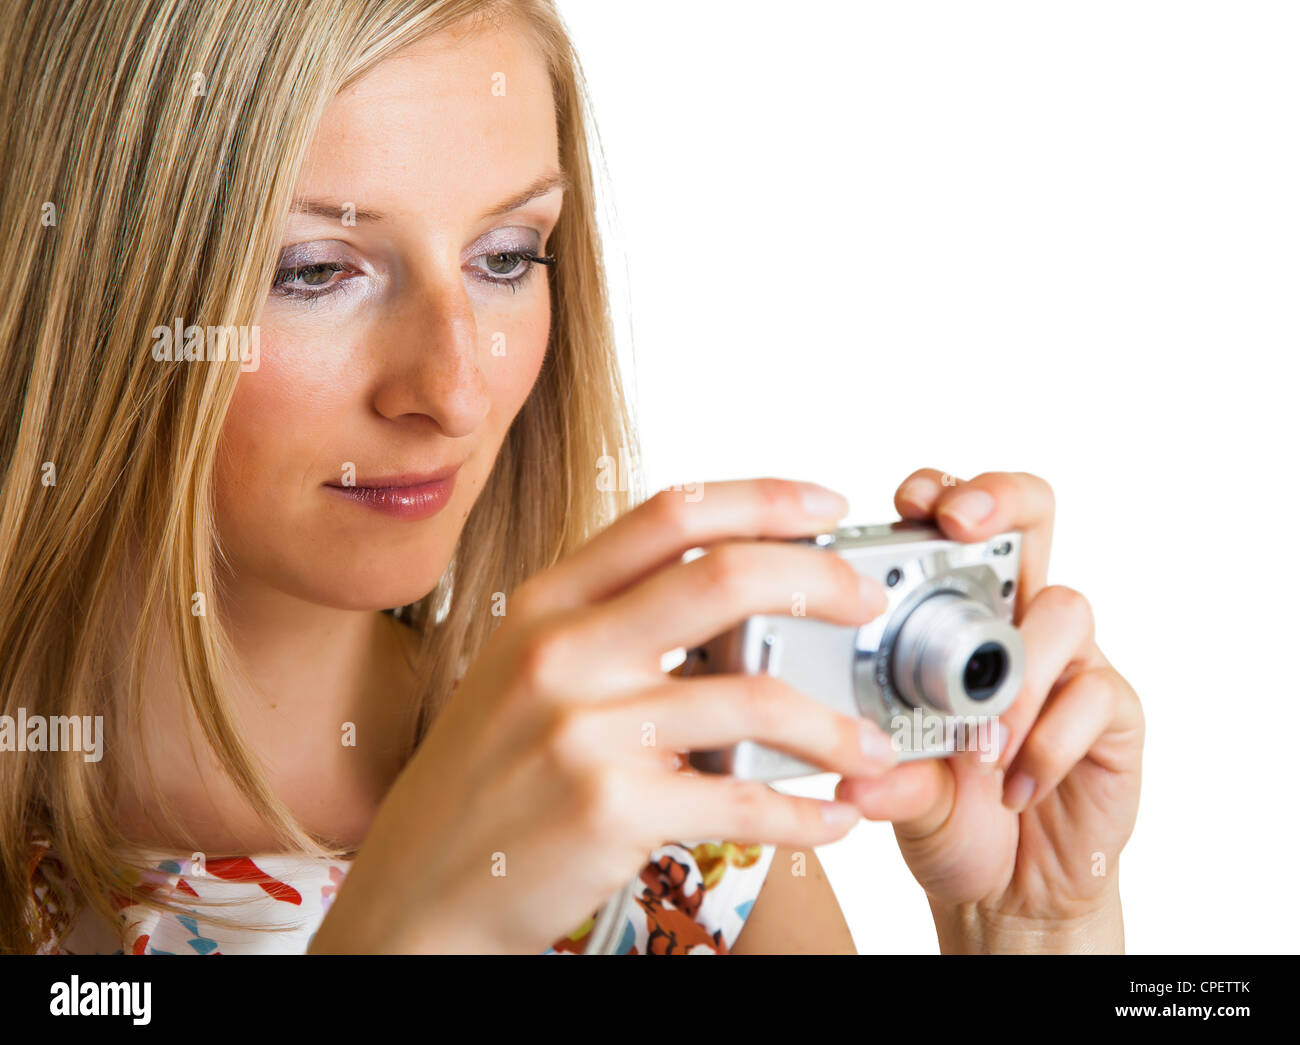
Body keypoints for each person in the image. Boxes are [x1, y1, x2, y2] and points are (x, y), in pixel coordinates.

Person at [0, 0, 1143, 955]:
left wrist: (1034, 925)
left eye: (505, 259)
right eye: (314, 271)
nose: (454, 390)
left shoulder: (674, 826)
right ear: (82, 289)